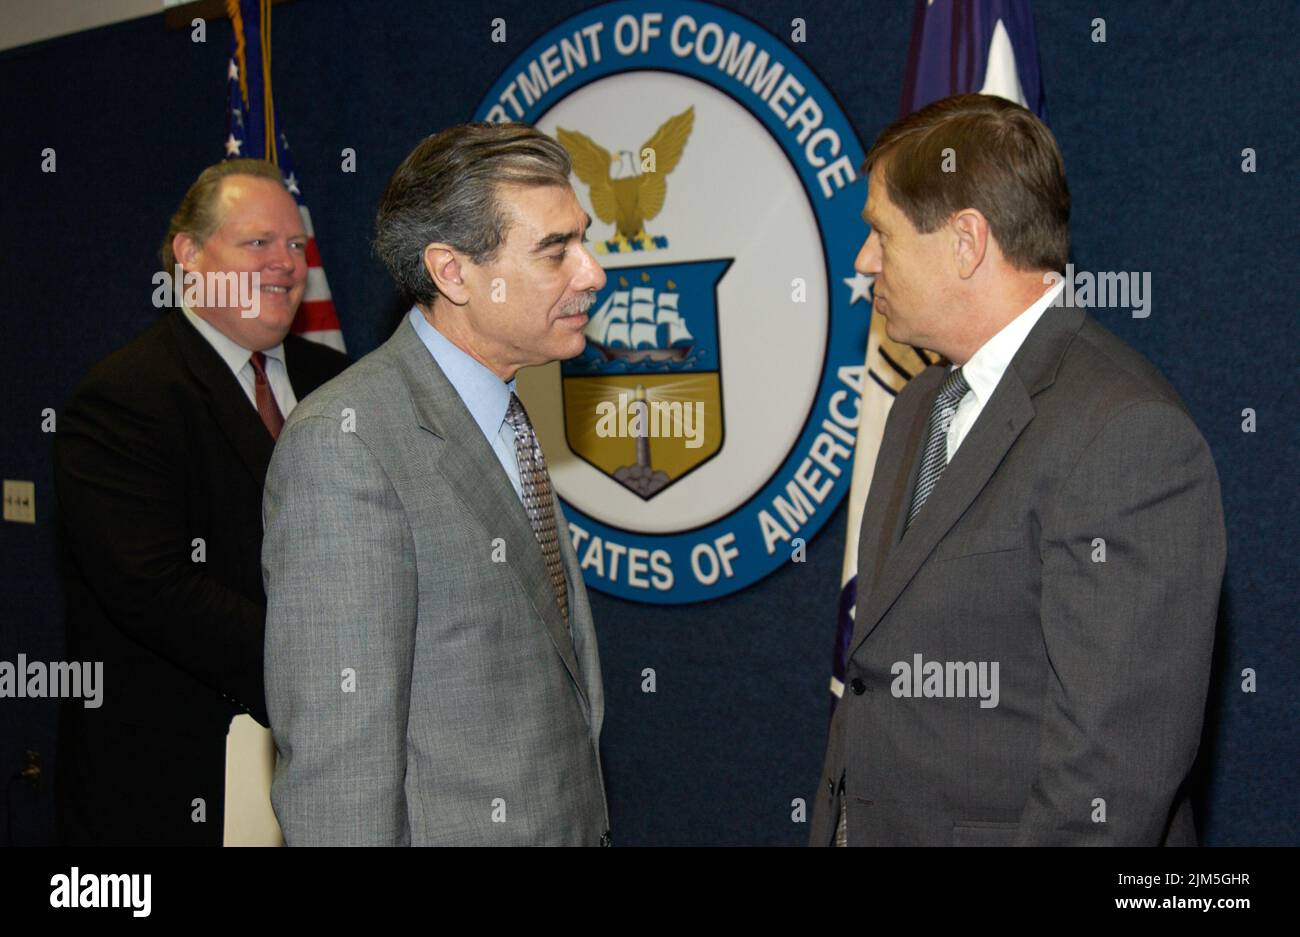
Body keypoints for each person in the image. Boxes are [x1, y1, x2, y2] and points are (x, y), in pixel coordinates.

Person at [811, 94, 1225, 846]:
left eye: (881, 232)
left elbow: (1110, 781)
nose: (865, 260)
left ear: (966, 242)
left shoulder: (1128, 437)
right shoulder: (917, 408)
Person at [262, 123, 611, 845]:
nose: (592, 272)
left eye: (583, 239)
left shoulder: (503, 409)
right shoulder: (348, 443)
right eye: (556, 251)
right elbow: (340, 776)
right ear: (452, 272)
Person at [53, 159, 350, 845]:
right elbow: (154, 588)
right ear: (189, 254)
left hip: (332, 767)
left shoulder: (337, 379)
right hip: (174, 781)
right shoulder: (126, 395)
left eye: (296, 247)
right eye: (258, 243)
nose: (285, 264)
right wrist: (324, 666)